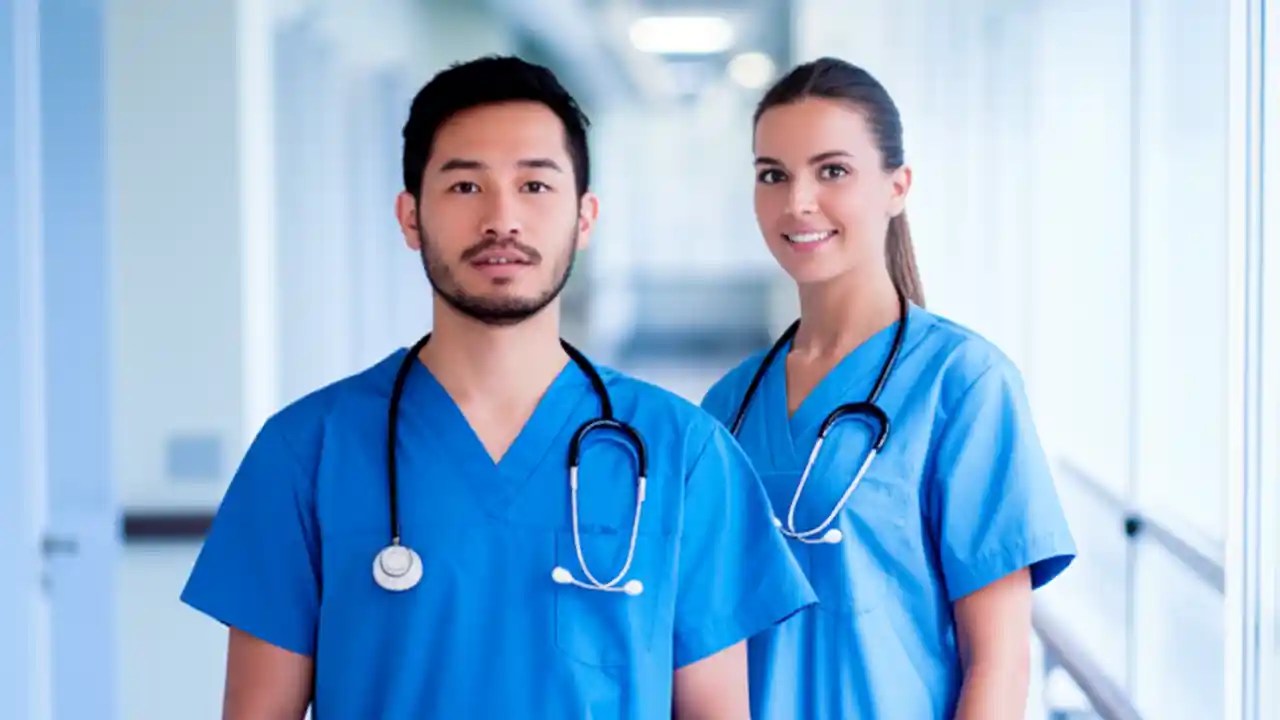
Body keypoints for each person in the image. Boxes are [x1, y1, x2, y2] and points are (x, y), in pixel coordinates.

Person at [181, 55, 815, 719]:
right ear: (409, 217)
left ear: (585, 217)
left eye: (536, 186)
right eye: (464, 187)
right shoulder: (308, 452)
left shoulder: (682, 454)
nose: (501, 219)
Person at [700, 57, 1078, 719]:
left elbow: (999, 663)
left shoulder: (962, 384)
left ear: (897, 186)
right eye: (773, 175)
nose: (797, 201)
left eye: (833, 171)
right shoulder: (728, 406)